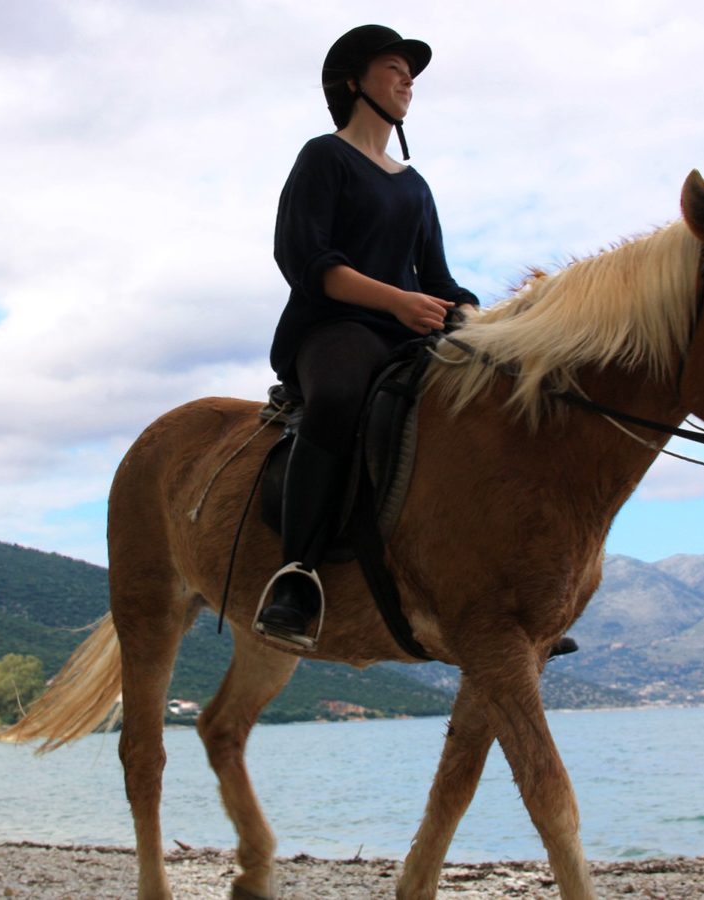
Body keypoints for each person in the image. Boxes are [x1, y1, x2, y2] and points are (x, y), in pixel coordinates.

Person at [253, 25, 480, 649]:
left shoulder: (415, 184)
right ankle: (296, 577)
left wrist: (472, 314)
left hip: (409, 335)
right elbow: (305, 259)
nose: (408, 81)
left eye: (411, 73)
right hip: (334, 327)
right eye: (394, 68)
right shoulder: (323, 158)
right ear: (354, 82)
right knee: (338, 398)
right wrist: (398, 301)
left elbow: (438, 278)